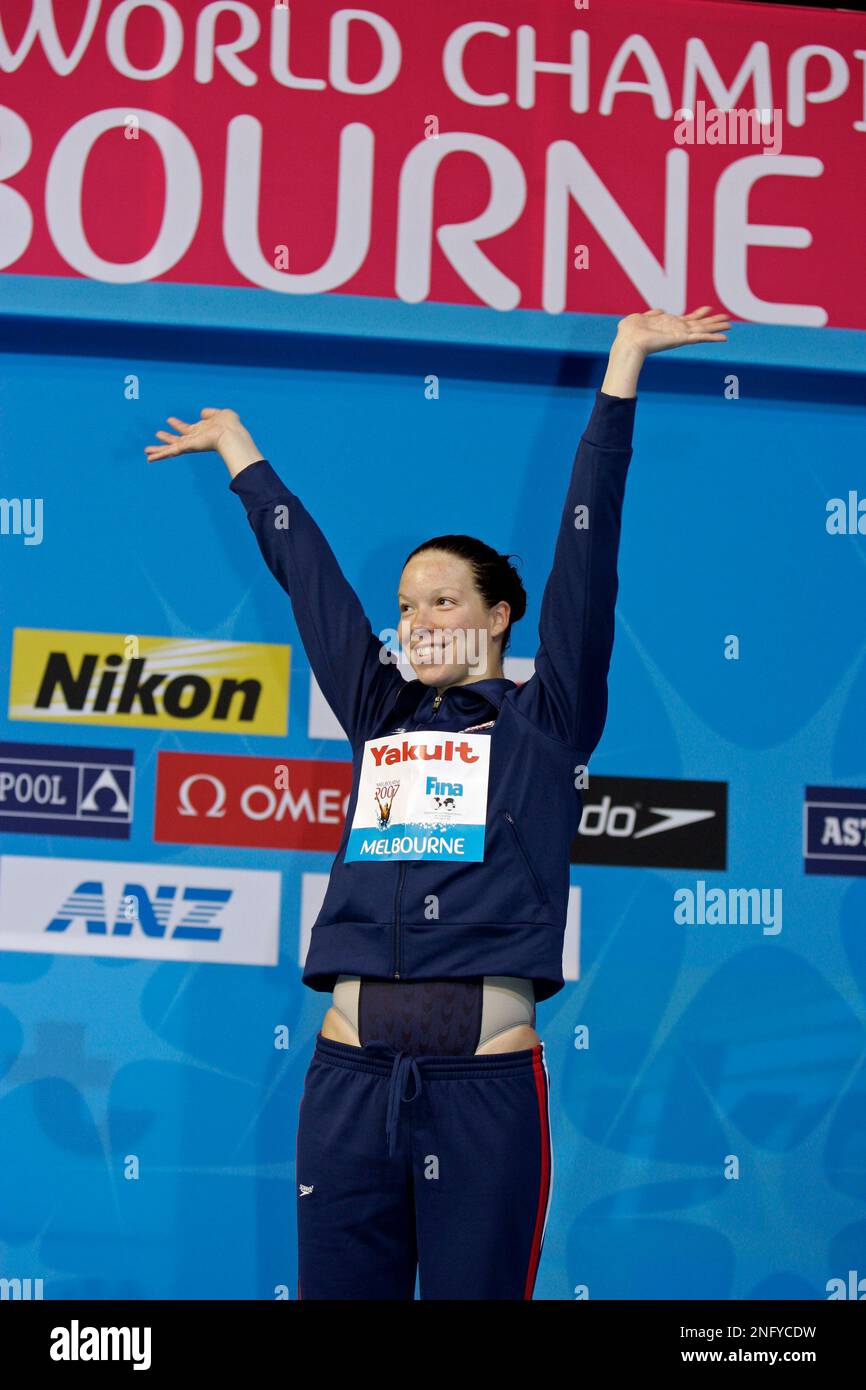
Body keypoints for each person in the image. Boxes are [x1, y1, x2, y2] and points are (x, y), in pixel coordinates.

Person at [145, 306, 730, 1300]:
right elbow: (313, 585)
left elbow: (587, 555)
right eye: (407, 606)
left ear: (499, 616)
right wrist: (240, 449)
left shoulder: (547, 719)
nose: (416, 621)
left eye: (442, 601)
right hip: (347, 1081)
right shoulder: (378, 714)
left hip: (480, 1087)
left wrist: (622, 366)